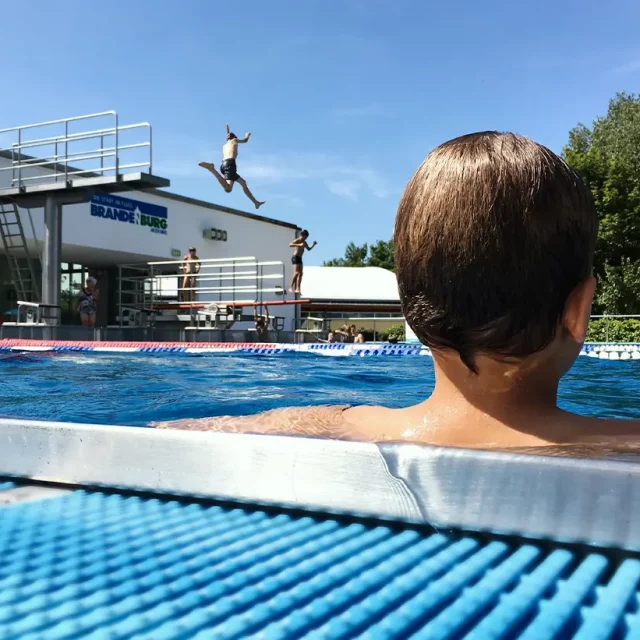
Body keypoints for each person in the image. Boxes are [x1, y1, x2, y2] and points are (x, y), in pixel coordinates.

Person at [154, 131, 640, 457]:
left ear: (411, 305)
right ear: (577, 311)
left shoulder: (339, 423)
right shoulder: (623, 444)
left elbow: (173, 434)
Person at [198, 124, 265, 210]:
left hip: (224, 165)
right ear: (233, 137)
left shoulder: (225, 145)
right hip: (230, 164)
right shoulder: (234, 140)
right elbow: (245, 140)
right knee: (228, 188)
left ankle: (256, 202)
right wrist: (247, 135)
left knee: (240, 184)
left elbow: (228, 137)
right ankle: (212, 169)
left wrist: (228, 131)